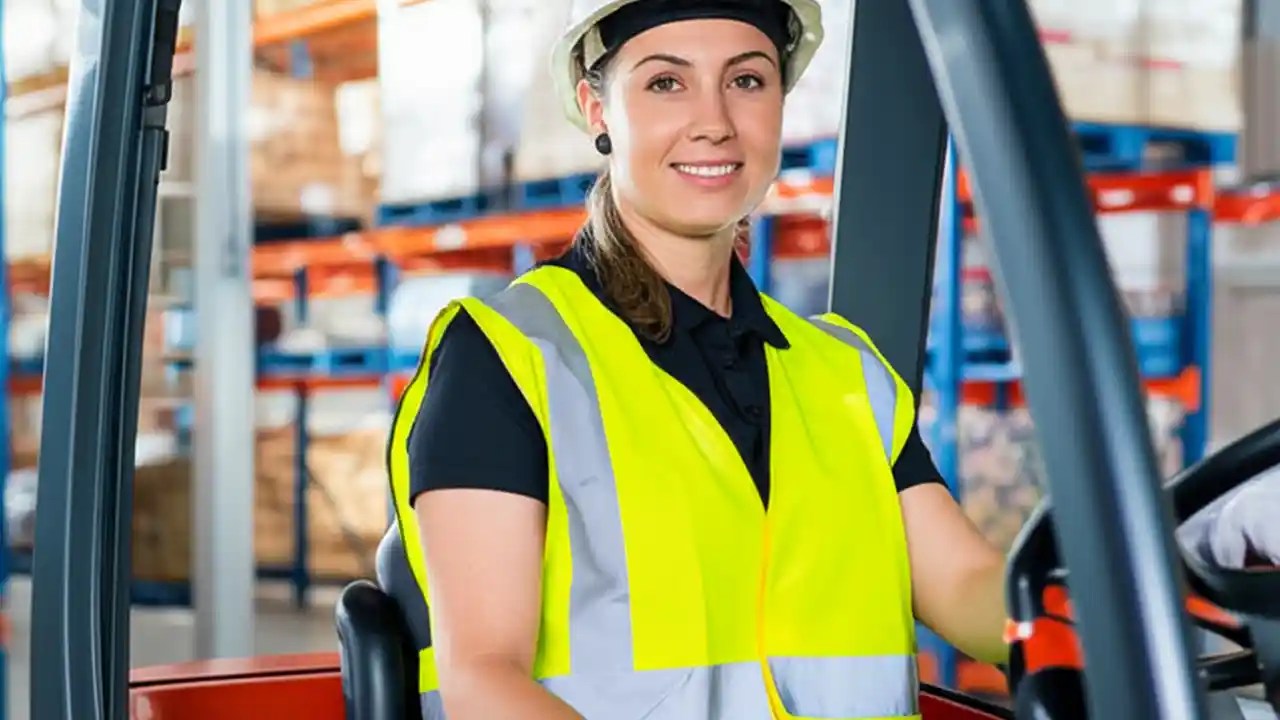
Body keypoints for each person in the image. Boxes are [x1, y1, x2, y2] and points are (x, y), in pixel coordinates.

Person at [382, 1, 1280, 717]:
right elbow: (483, 681)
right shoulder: (510, 357)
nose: (714, 122)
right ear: (596, 109)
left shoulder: (840, 371)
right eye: (664, 83)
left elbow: (973, 590)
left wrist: (1170, 568)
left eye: (746, 79)